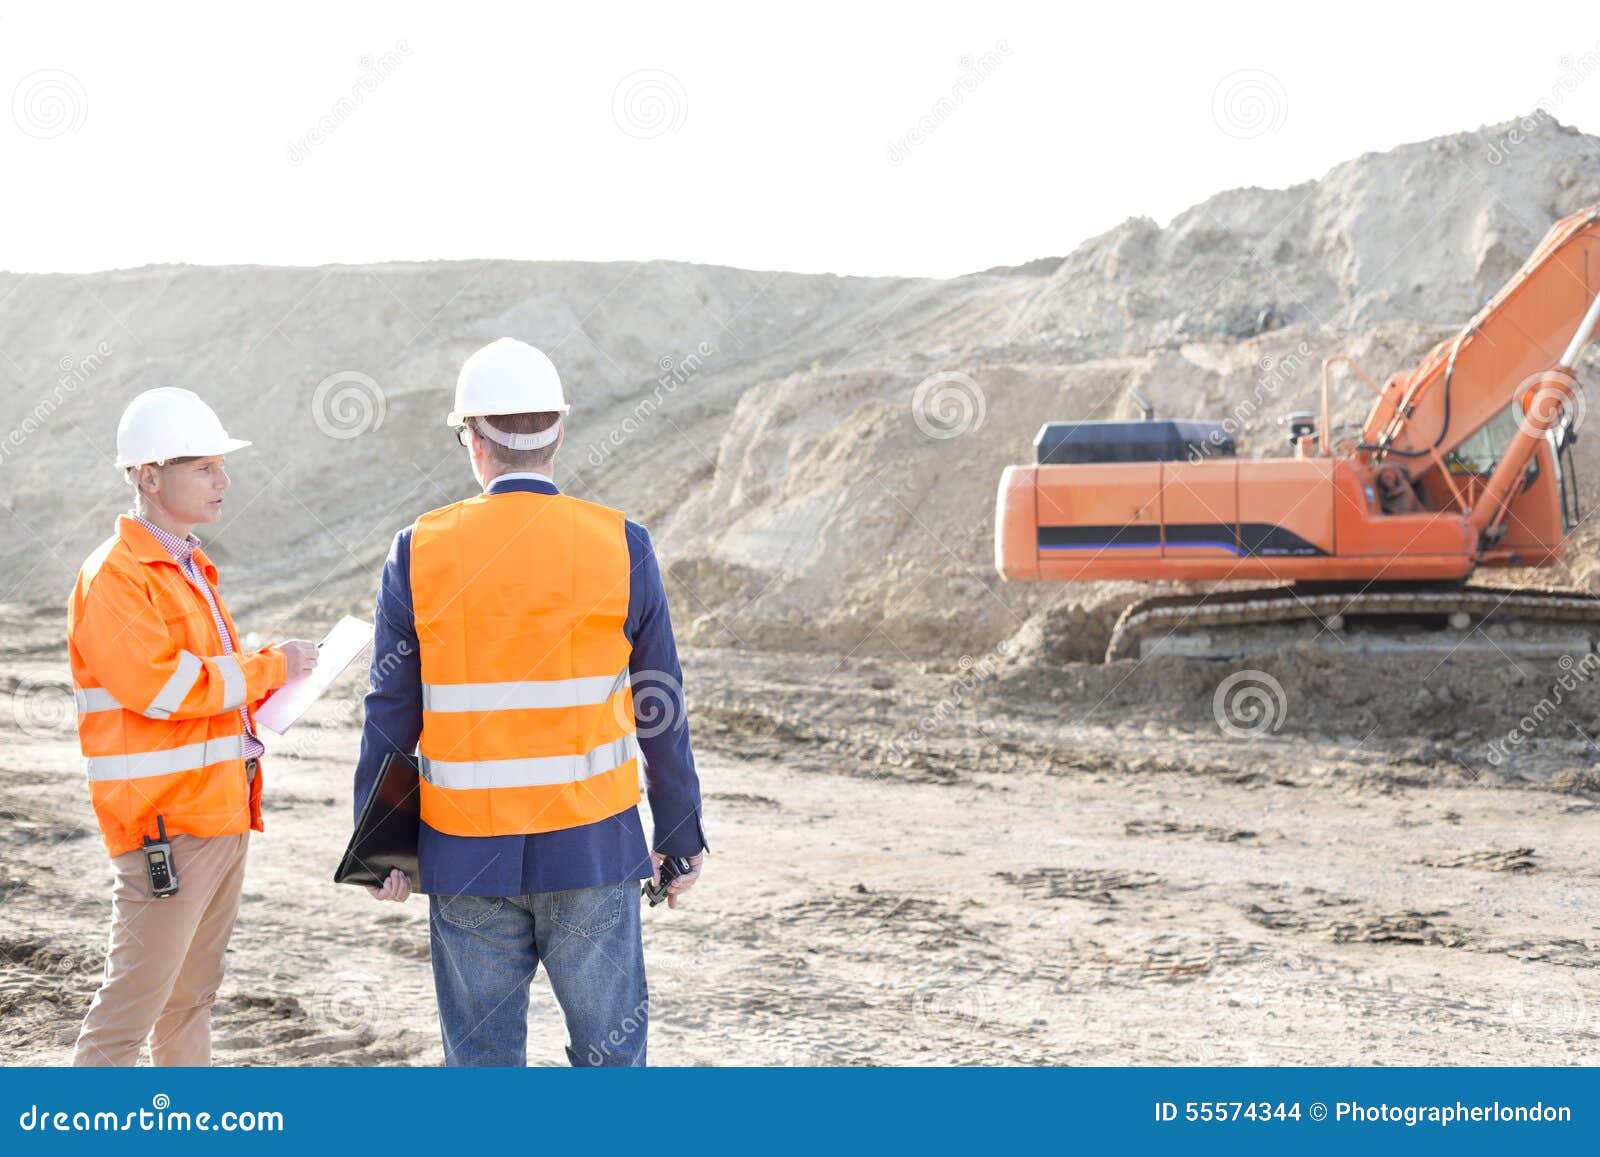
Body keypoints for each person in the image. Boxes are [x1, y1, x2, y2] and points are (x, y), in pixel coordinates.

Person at [353, 337, 707, 1066]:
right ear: (559, 433)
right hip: (594, 851)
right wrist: (679, 828)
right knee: (610, 1067)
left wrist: (380, 847)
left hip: (464, 859)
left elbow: (390, 715)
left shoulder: (419, 550)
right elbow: (660, 705)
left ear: (473, 440)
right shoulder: (621, 544)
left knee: (483, 1073)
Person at [67, 387, 318, 1065]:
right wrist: (272, 664)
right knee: (127, 1015)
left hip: (218, 817)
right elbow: (164, 687)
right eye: (205, 467)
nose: (224, 480)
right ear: (149, 476)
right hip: (165, 832)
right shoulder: (116, 576)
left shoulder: (188, 569)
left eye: (221, 465)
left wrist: (267, 688)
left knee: (189, 1001)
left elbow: (209, 687)